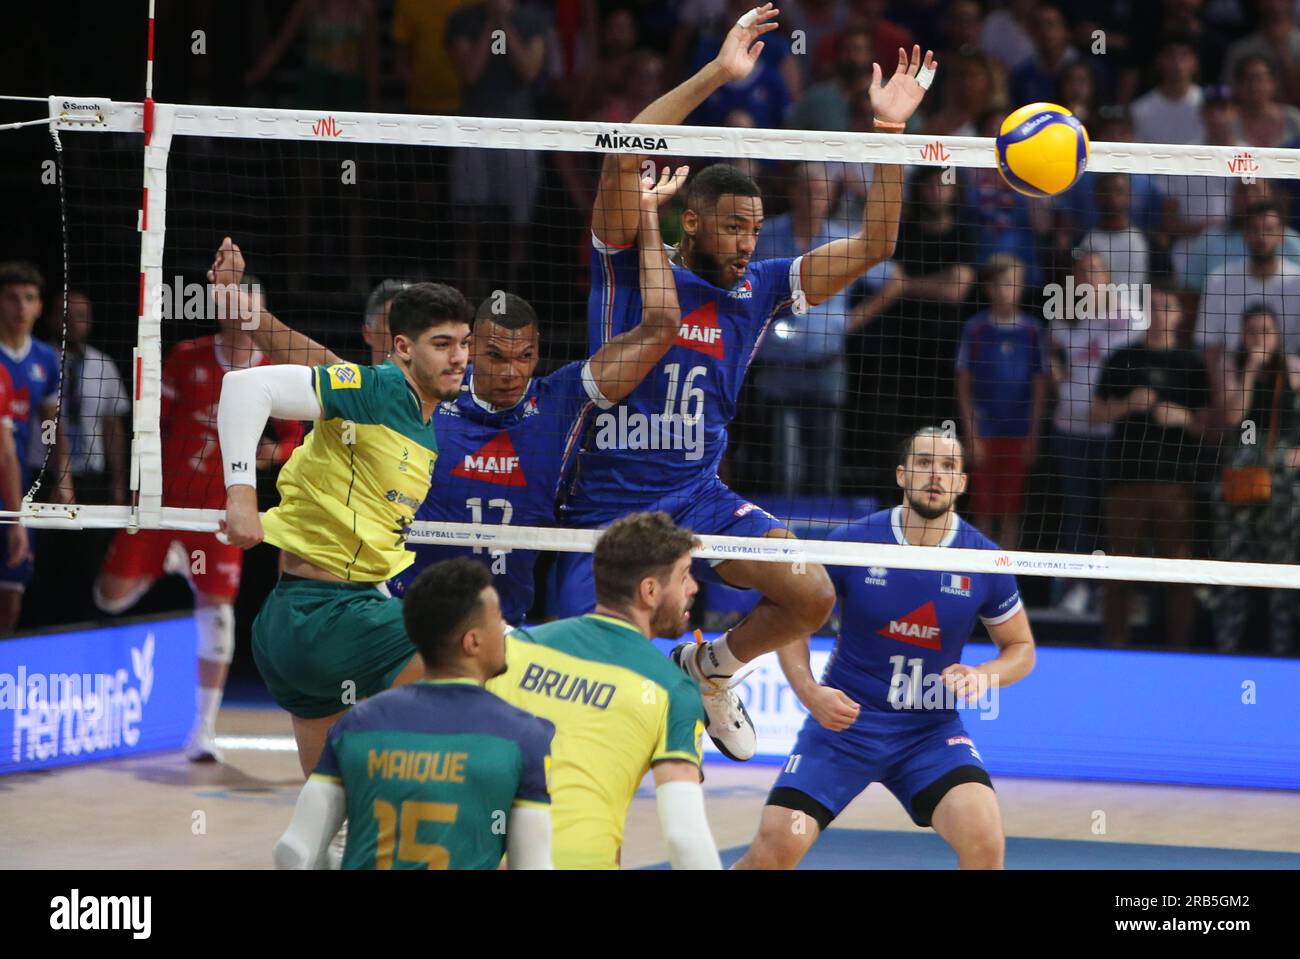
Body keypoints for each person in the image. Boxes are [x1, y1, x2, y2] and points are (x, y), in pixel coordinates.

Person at [557, 5, 936, 762]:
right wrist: (721, 74)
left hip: (700, 497)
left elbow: (876, 243)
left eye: (755, 230)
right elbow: (620, 157)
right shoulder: (627, 260)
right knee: (587, 695)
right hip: (606, 505)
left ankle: (713, 666)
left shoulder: (757, 289)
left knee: (813, 593)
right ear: (689, 221)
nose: (746, 243)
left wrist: (888, 136)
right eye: (732, 227)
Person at [391, 166, 688, 624]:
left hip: (504, 630)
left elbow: (663, 326)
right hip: (408, 620)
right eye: (495, 356)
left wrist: (648, 215)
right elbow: (328, 371)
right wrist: (253, 315)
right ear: (470, 349)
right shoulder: (428, 391)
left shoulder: (562, 398)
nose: (512, 372)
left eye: (525, 356)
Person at [734, 427, 1035, 870]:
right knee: (774, 851)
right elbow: (789, 617)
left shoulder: (984, 560)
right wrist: (809, 692)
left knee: (985, 843)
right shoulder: (853, 543)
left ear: (963, 483)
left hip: (929, 735)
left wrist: (984, 675)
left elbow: (1021, 647)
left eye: (949, 466)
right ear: (902, 474)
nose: (936, 475)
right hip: (844, 728)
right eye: (925, 463)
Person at [216, 279, 473, 777]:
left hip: (299, 622)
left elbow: (321, 361)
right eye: (442, 344)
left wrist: (248, 311)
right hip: (333, 621)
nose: (459, 356)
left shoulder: (417, 417)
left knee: (330, 801)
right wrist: (242, 493)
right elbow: (246, 386)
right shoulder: (382, 389)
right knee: (485, 655)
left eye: (464, 343)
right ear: (403, 347)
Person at [93, 287, 305, 762]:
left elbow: (295, 441)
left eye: (249, 305)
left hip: (219, 511)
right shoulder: (187, 356)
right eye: (232, 305)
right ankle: (162, 565)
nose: (240, 313)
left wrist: (272, 455)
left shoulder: (273, 369)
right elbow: (151, 424)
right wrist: (135, 485)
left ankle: (204, 730)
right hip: (163, 503)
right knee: (110, 598)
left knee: (217, 611)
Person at [273, 558, 555, 869]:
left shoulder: (357, 724)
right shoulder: (523, 736)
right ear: (472, 641)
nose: (504, 629)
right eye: (497, 619)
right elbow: (533, 865)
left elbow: (294, 851)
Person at [487, 511, 721, 870]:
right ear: (649, 590)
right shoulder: (672, 688)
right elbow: (684, 838)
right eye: (684, 576)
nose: (694, 588)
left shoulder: (515, 648)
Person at [1092, 287, 1213, 647]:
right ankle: (1115, 645)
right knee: (1119, 569)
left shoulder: (1191, 364)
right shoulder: (1123, 357)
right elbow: (1094, 413)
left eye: (1167, 307)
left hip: (1175, 482)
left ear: (1179, 315)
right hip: (1125, 478)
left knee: (1178, 571)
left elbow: (1211, 427)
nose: (1161, 313)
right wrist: (1128, 404)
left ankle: (1179, 649)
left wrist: (1184, 418)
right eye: (1155, 307)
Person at [1048, 251, 1138, 614]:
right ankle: (1077, 587)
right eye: (1081, 271)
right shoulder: (1063, 313)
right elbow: (1052, 356)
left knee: (1111, 514)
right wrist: (1059, 377)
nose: (1087, 276)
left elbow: (1135, 359)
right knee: (1076, 511)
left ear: (1108, 276)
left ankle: (1110, 590)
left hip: (1111, 432)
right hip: (1069, 428)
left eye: (1095, 271)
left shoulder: (1127, 313)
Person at [1209, 304, 1300, 654]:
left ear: (1277, 334)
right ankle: (1227, 645)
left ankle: (1282, 648)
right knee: (1233, 564)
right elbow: (1233, 416)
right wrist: (1251, 368)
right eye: (1252, 331)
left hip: (1284, 484)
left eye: (1266, 331)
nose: (1259, 337)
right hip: (1240, 480)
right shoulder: (1231, 365)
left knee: (1284, 566)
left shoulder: (1292, 367)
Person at [955, 255, 1049, 552]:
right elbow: (963, 385)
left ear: (1021, 287)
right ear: (987, 288)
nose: (1004, 290)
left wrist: (1034, 435)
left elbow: (1040, 387)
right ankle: (982, 578)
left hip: (1018, 432)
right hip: (984, 431)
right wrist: (971, 435)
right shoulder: (975, 329)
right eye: (998, 284)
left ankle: (1005, 581)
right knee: (982, 509)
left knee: (1011, 511)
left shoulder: (1032, 330)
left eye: (1011, 284)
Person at [0, 261, 73, 631]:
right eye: (12, 298)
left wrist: (62, 476)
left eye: (29, 299)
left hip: (17, 479)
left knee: (13, 582)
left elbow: (49, 423)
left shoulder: (46, 359)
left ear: (40, 307)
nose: (21, 308)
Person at [46, 290, 130, 506]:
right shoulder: (40, 359)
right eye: (66, 316)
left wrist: (119, 482)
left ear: (90, 321)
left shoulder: (104, 365)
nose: (73, 323)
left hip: (92, 477)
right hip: (45, 474)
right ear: (51, 318)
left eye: (81, 315)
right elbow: (42, 420)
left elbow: (113, 427)